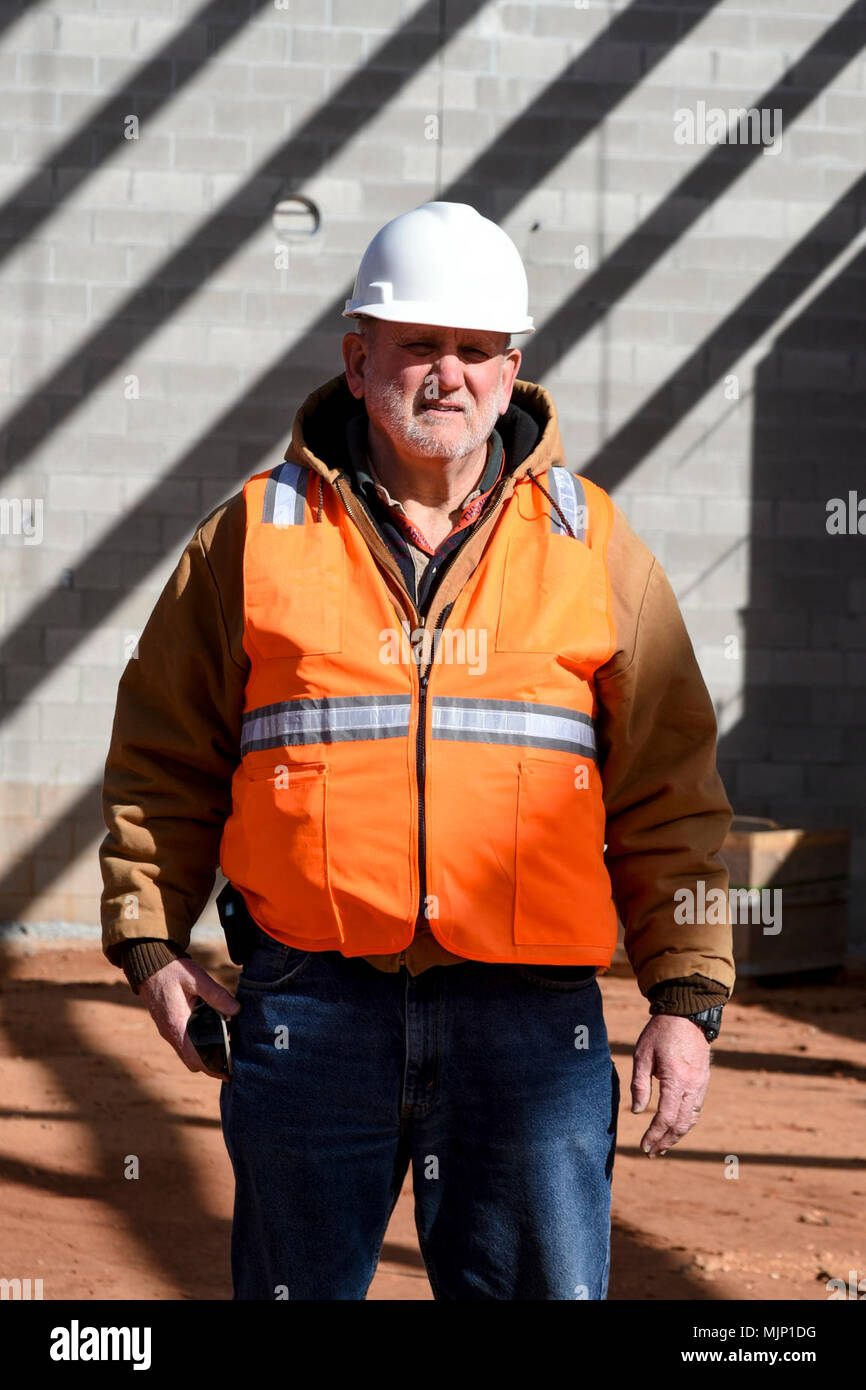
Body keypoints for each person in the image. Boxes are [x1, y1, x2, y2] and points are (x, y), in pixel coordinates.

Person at [99, 201, 735, 1301]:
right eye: (416, 347)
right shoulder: (256, 536)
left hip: (528, 1024)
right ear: (357, 361)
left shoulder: (592, 546)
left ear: (511, 367)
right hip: (309, 1010)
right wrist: (150, 946)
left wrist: (683, 997)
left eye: (474, 349)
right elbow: (166, 755)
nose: (447, 375)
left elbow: (667, 793)